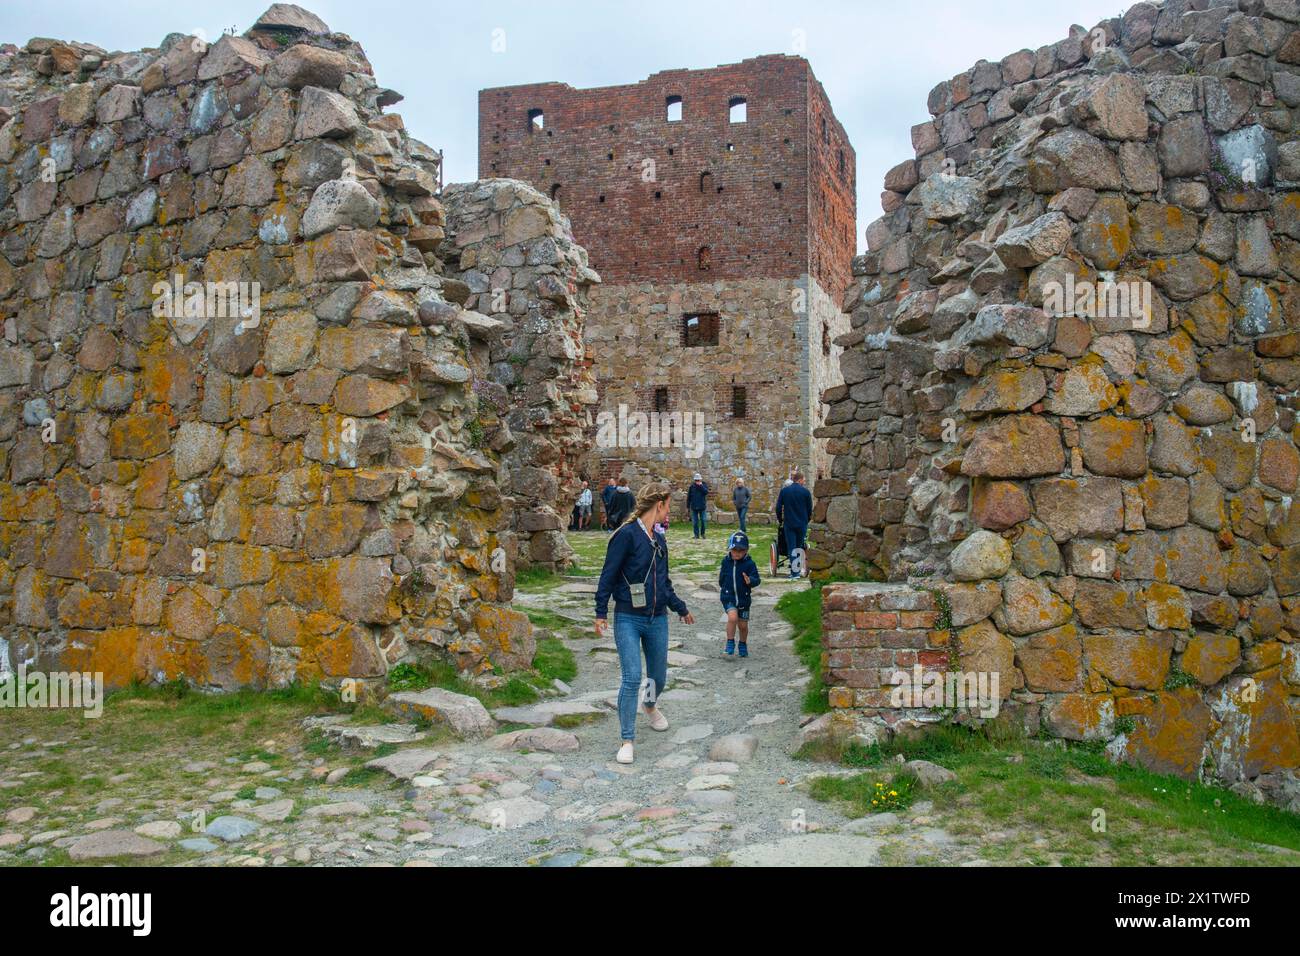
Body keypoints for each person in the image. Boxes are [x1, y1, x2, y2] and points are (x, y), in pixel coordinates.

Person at [594, 483, 694, 764]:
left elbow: (664, 582)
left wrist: (680, 608)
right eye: (668, 505)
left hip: (657, 618)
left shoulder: (659, 540)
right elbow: (608, 574)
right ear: (659, 504)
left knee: (658, 677)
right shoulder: (625, 536)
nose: (669, 511)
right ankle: (627, 739)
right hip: (628, 616)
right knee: (632, 676)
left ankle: (649, 705)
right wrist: (600, 611)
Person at [719, 531, 760, 658]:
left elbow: (757, 579)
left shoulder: (749, 564)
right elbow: (721, 579)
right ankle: (730, 642)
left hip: (744, 599)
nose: (737, 553)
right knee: (732, 618)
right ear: (729, 549)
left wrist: (750, 581)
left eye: (740, 550)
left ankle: (742, 643)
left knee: (743, 625)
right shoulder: (725, 562)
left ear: (746, 550)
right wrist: (725, 589)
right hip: (729, 597)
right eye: (734, 550)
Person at [775, 471, 813, 579]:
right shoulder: (806, 492)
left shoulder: (785, 491)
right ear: (800, 480)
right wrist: (807, 519)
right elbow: (809, 509)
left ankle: (795, 573)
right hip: (802, 523)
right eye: (804, 480)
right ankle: (796, 571)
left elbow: (778, 508)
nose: (804, 482)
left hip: (789, 523)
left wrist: (780, 519)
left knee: (791, 547)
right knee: (799, 546)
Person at [687, 472, 710, 539]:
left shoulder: (704, 485)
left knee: (703, 520)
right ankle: (696, 535)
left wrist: (701, 486)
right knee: (695, 522)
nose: (697, 481)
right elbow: (689, 497)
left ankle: (703, 534)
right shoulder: (692, 486)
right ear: (694, 480)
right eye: (696, 480)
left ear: (700, 480)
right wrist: (688, 506)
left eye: (698, 480)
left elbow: (706, 492)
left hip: (702, 506)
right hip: (694, 506)